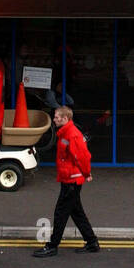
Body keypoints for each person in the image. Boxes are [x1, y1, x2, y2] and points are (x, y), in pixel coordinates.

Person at [33, 106, 100, 257]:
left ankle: (52, 246)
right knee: (76, 212)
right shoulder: (65, 133)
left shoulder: (72, 135)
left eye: (57, 117)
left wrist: (87, 173)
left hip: (72, 180)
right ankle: (92, 242)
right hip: (68, 178)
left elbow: (82, 157)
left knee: (61, 212)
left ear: (65, 119)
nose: (54, 119)